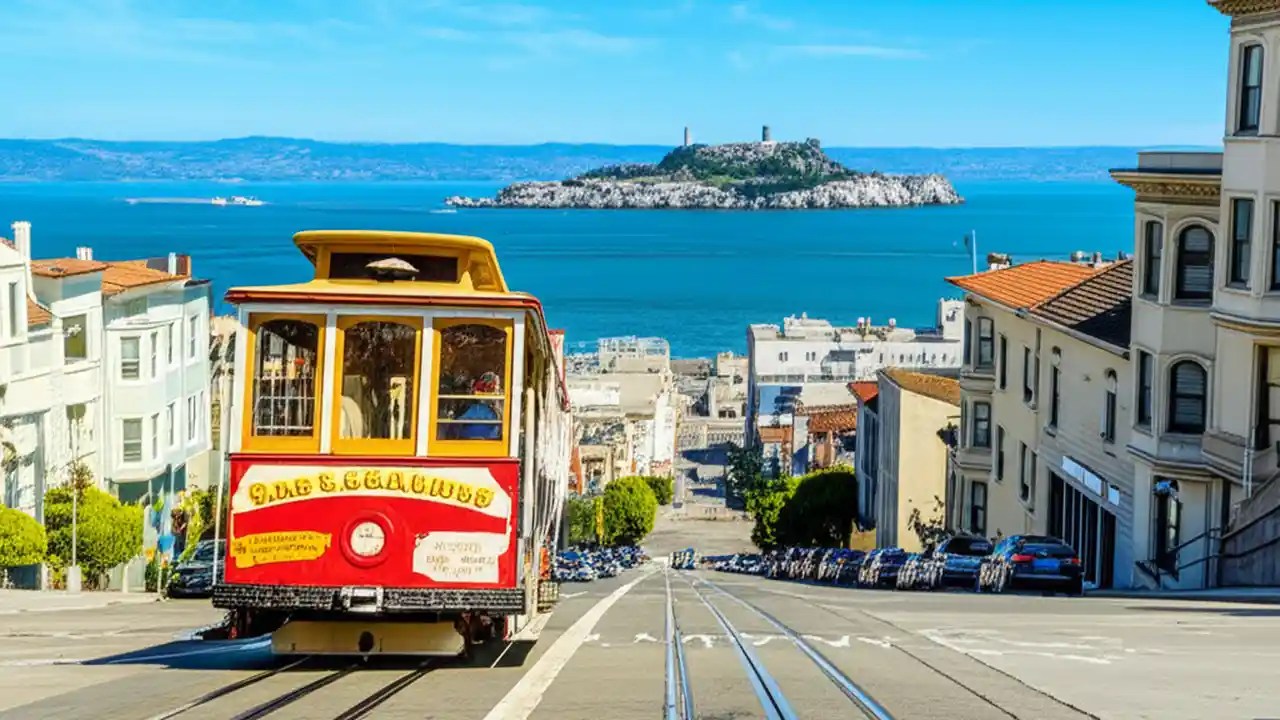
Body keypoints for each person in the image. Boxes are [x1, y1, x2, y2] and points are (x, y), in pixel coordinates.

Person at [453, 372, 503, 440]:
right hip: (490, 440)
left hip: (466, 438)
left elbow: (457, 422)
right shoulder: (491, 411)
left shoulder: (474, 408)